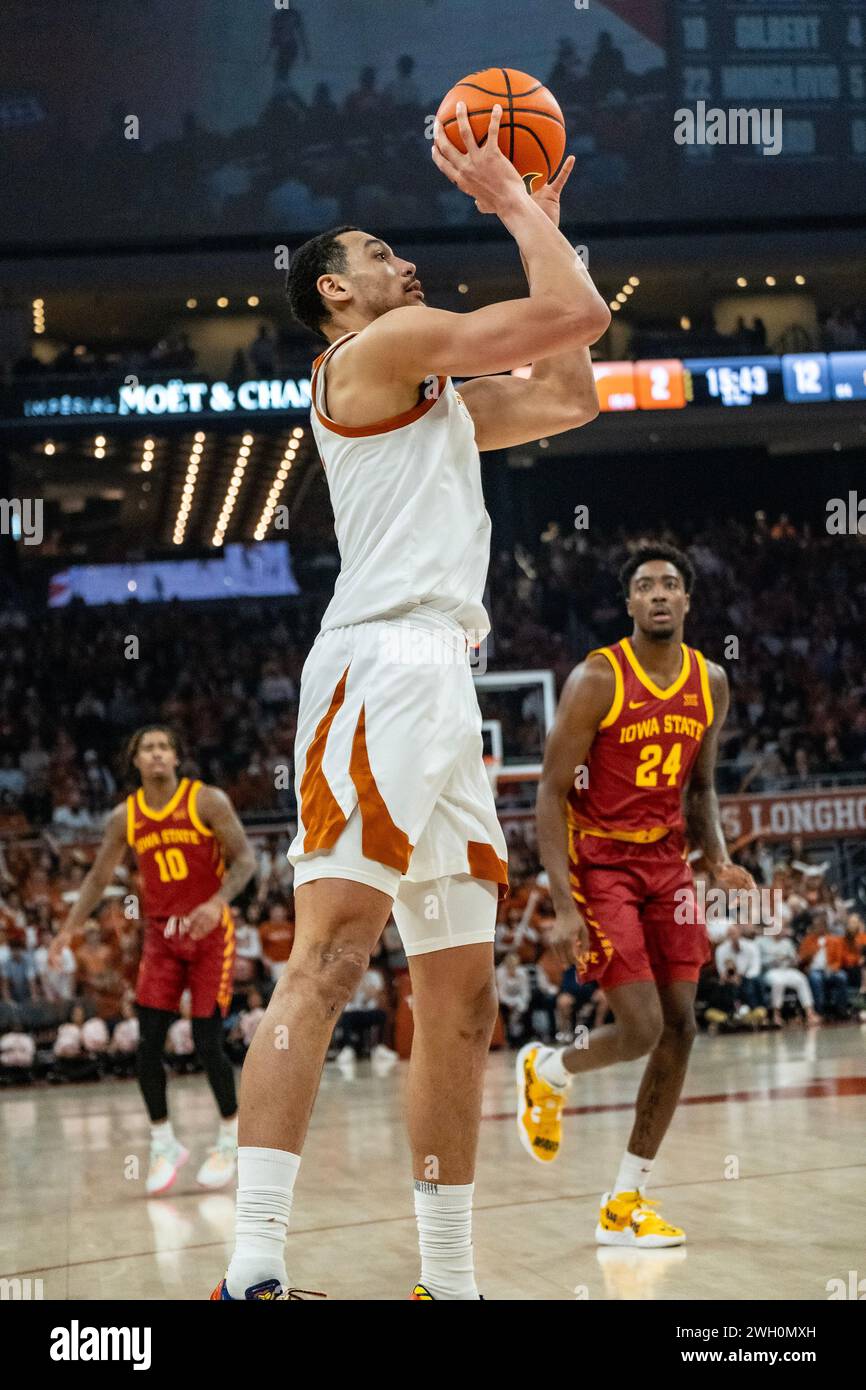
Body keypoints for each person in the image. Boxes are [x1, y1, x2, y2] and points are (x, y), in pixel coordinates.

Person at [215, 105, 609, 1301]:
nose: (400, 261)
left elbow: (569, 389)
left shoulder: (429, 404)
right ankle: (252, 1270)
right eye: (376, 253)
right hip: (379, 668)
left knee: (459, 990)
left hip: (443, 673)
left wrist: (547, 215)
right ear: (333, 295)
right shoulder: (369, 357)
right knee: (330, 957)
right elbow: (569, 317)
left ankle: (447, 1277)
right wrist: (511, 201)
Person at [520, 542, 757, 1248]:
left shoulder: (711, 681)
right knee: (645, 1025)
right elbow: (549, 792)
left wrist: (714, 858)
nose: (658, 593)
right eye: (646, 585)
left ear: (688, 601)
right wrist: (563, 903)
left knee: (683, 1027)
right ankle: (550, 1066)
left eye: (671, 584)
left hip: (669, 866)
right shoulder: (598, 677)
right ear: (629, 605)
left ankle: (624, 1203)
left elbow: (705, 786)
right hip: (602, 866)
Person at [51, 726, 255, 1195]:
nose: (158, 753)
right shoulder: (125, 816)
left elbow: (245, 861)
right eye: (149, 748)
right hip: (162, 938)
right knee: (147, 1045)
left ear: (176, 757)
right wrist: (68, 928)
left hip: (208, 933)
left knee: (207, 1042)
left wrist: (216, 902)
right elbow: (100, 877)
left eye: (165, 746)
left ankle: (230, 1135)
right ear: (136, 761)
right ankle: (163, 1142)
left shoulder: (208, 802)